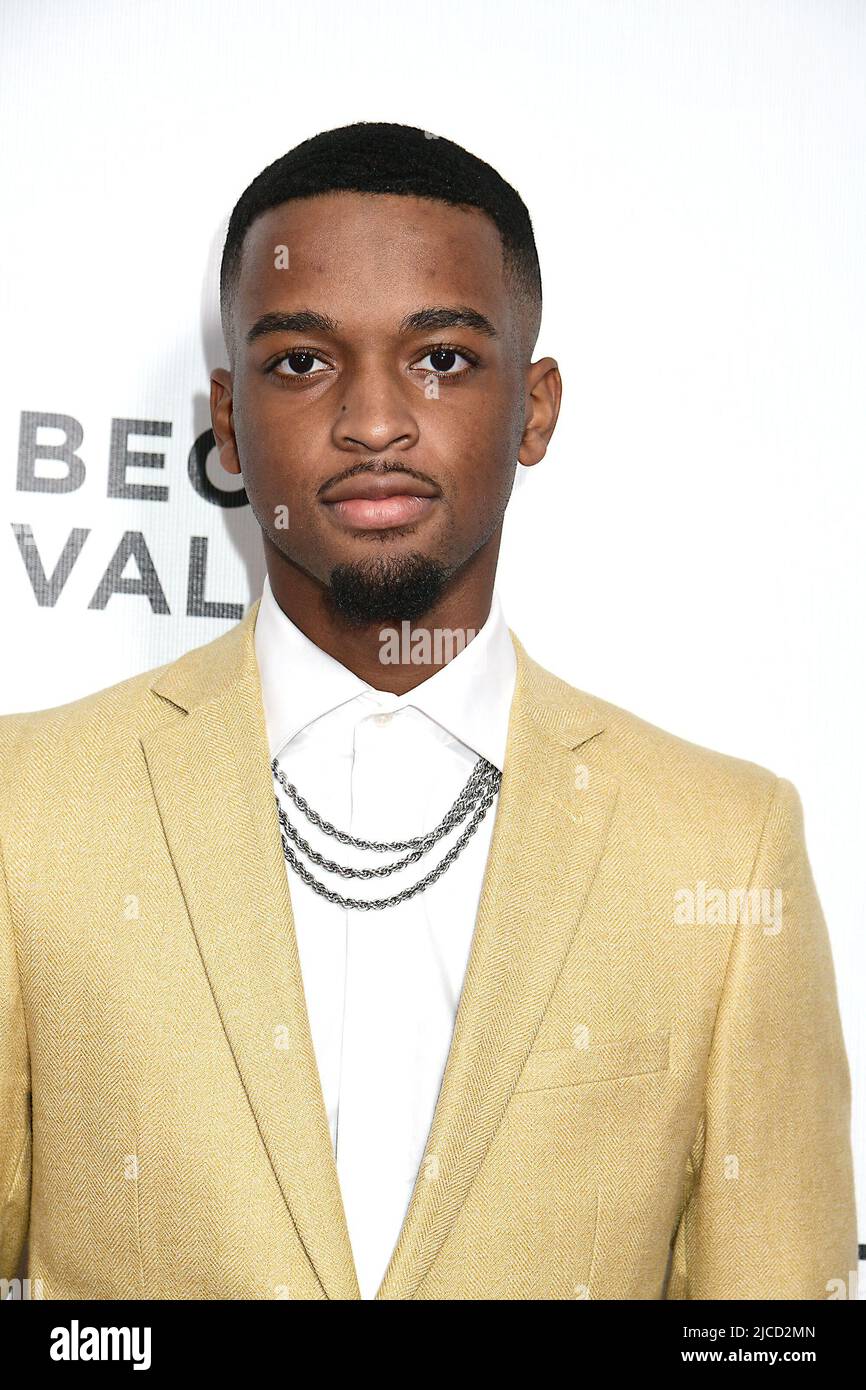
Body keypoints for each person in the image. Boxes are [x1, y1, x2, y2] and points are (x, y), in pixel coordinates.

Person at [0, 122, 857, 1301]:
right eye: (302, 361)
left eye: (441, 358)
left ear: (535, 406)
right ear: (230, 422)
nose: (372, 422)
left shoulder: (721, 842)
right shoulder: (28, 810)